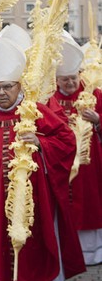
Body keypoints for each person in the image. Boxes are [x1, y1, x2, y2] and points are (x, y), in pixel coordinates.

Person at [0, 36, 85, 281]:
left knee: (33, 250)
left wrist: (41, 143)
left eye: (7, 86)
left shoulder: (34, 112)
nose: (1, 93)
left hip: (34, 204)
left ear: (19, 86)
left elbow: (66, 140)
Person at [47, 33, 102, 265]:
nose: (71, 84)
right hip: (61, 165)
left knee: (90, 203)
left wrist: (98, 119)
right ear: (57, 80)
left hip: (90, 165)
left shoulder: (93, 95)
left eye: (74, 78)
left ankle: (93, 252)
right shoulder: (49, 99)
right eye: (65, 79)